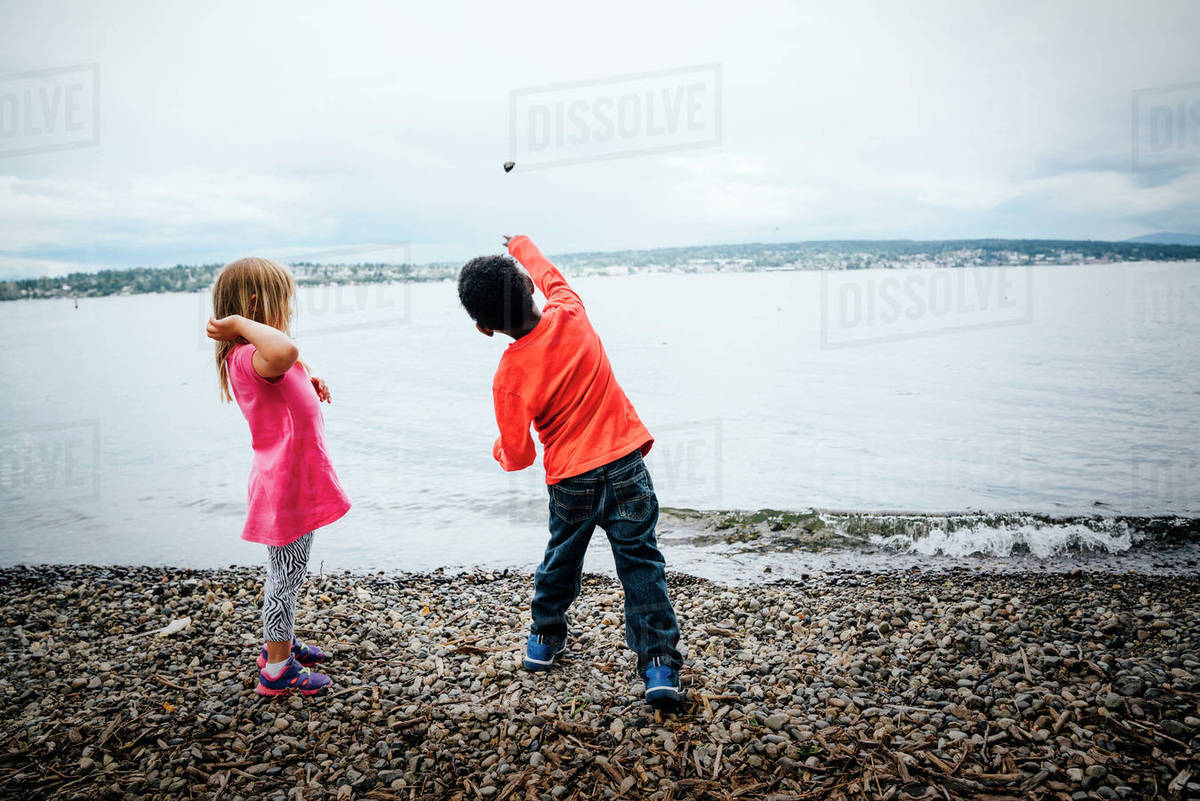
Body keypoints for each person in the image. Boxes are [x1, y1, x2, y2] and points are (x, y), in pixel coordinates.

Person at [456, 235, 684, 704]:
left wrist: (499, 449)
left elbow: (519, 456)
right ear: (530, 289)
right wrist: (520, 244)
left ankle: (543, 639)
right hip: (625, 468)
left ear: (484, 329)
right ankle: (659, 668)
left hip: (571, 482)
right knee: (642, 565)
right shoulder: (571, 311)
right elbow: (549, 274)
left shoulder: (509, 375)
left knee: (561, 559)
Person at [207, 257, 350, 697]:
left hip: (292, 480)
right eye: (284, 302)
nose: (289, 311)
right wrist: (238, 323)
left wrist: (308, 377)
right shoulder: (250, 353)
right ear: (255, 305)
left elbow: (288, 361)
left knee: (289, 571)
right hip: (286, 485)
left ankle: (281, 640)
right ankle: (276, 669)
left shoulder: (255, 355)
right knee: (284, 578)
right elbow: (283, 350)